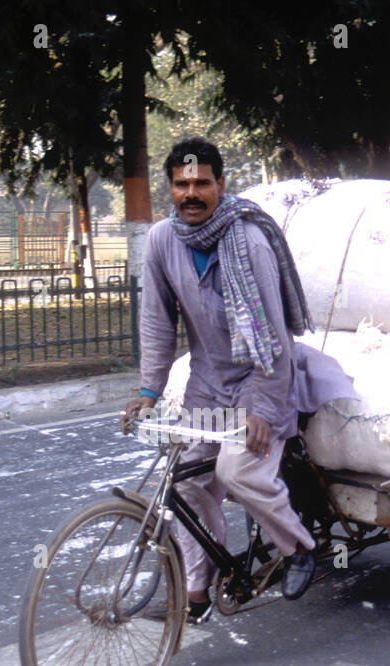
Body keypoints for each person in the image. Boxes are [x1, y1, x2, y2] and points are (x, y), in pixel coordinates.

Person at [122, 136, 323, 623]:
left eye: (202, 183)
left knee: (239, 472)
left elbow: (275, 338)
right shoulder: (162, 240)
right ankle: (197, 591)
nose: (191, 193)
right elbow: (155, 321)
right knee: (187, 481)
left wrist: (265, 410)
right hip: (206, 385)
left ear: (220, 185)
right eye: (181, 184)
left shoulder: (248, 240)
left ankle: (298, 548)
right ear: (171, 187)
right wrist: (149, 389)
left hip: (261, 382)